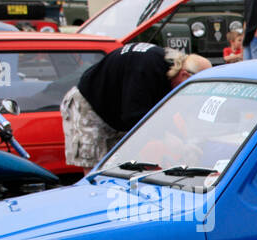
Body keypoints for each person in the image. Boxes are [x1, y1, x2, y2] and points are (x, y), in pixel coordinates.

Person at [61, 43, 210, 168]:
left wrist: (182, 140)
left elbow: (160, 115)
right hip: (90, 105)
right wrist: (168, 139)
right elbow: (135, 118)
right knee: (95, 165)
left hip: (116, 112)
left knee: (119, 165)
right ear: (184, 75)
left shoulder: (166, 68)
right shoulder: (147, 68)